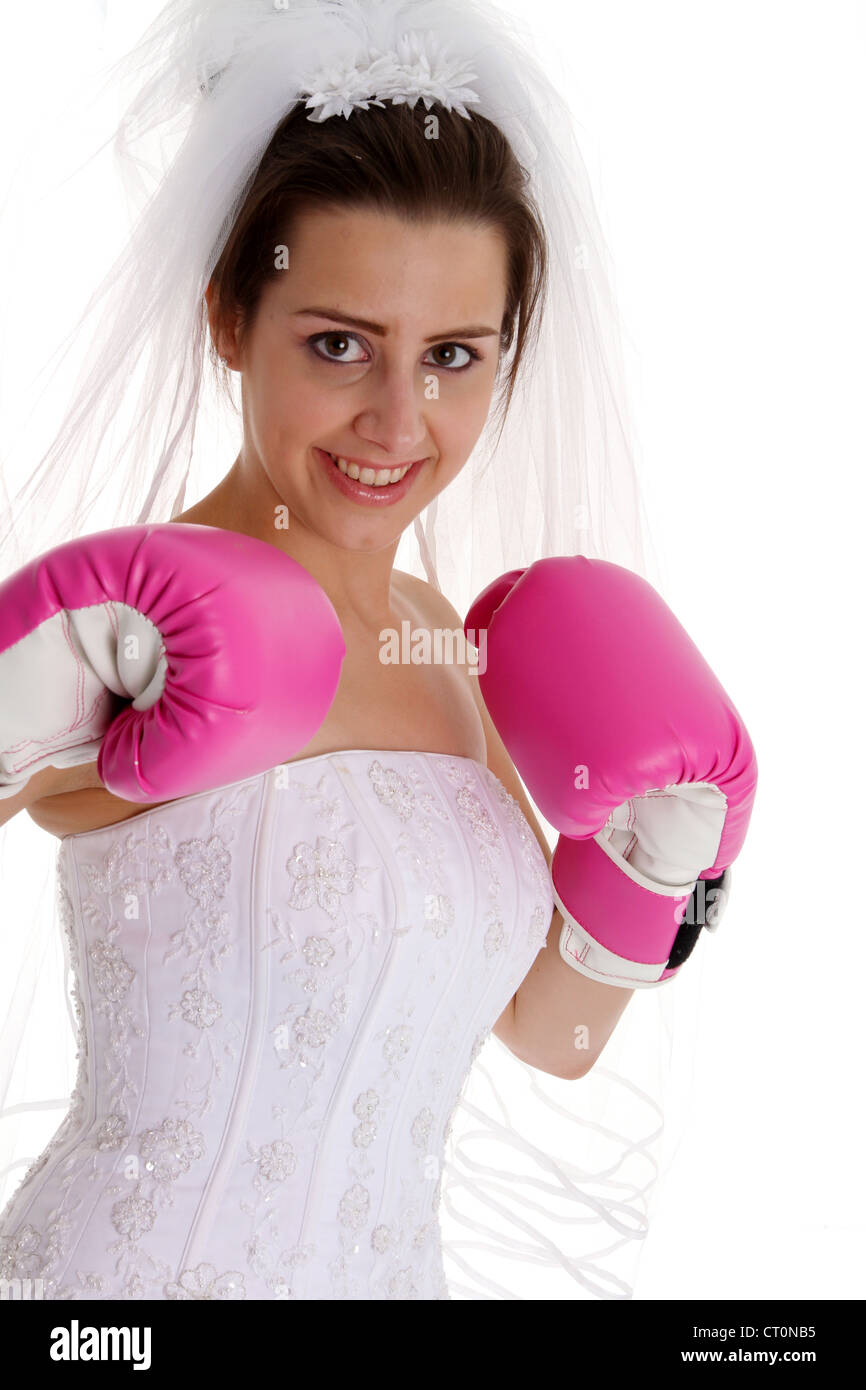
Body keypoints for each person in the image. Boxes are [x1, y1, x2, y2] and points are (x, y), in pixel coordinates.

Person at [0, 0, 756, 1299]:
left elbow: (547, 1036)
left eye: (453, 356)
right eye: (338, 342)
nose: (397, 420)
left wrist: (654, 869)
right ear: (229, 320)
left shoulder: (451, 657)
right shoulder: (130, 621)